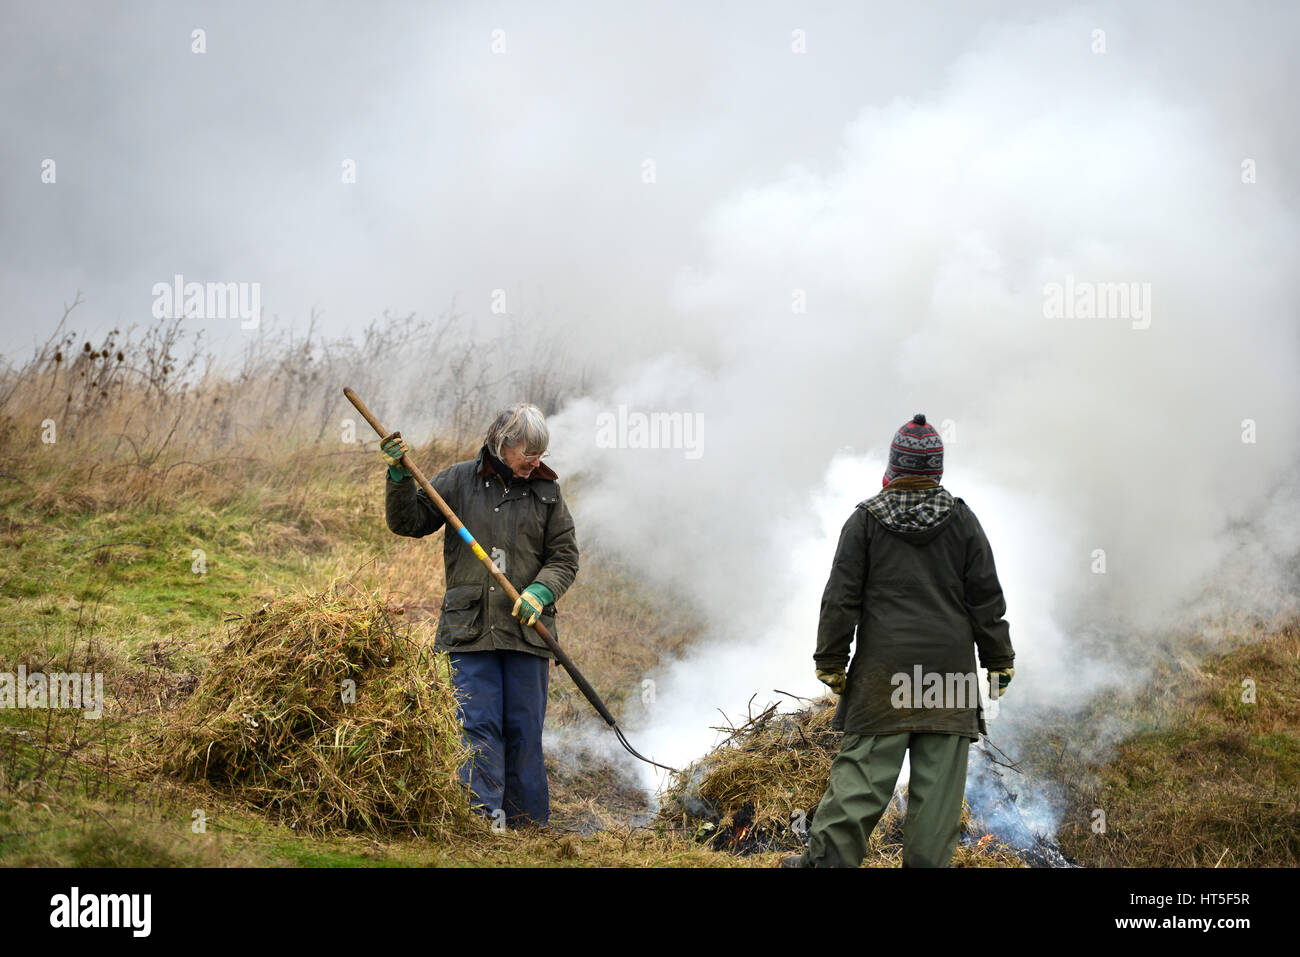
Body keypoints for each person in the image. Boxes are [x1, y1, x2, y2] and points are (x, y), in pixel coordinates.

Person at [787, 413, 1014, 867]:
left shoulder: (865, 521)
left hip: (883, 676)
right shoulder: (963, 521)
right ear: (937, 470)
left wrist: (831, 659)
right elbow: (986, 599)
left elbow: (840, 598)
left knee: (860, 783)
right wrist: (998, 660)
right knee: (937, 798)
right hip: (949, 677)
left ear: (893, 466)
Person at [380, 403, 578, 828]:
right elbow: (408, 521)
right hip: (468, 630)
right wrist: (398, 475)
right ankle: (482, 819)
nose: (535, 461)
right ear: (502, 444)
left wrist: (540, 591)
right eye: (529, 452)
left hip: (527, 633)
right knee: (477, 724)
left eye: (541, 453)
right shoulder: (456, 481)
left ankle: (526, 825)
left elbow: (564, 557)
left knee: (524, 729)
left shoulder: (547, 494)